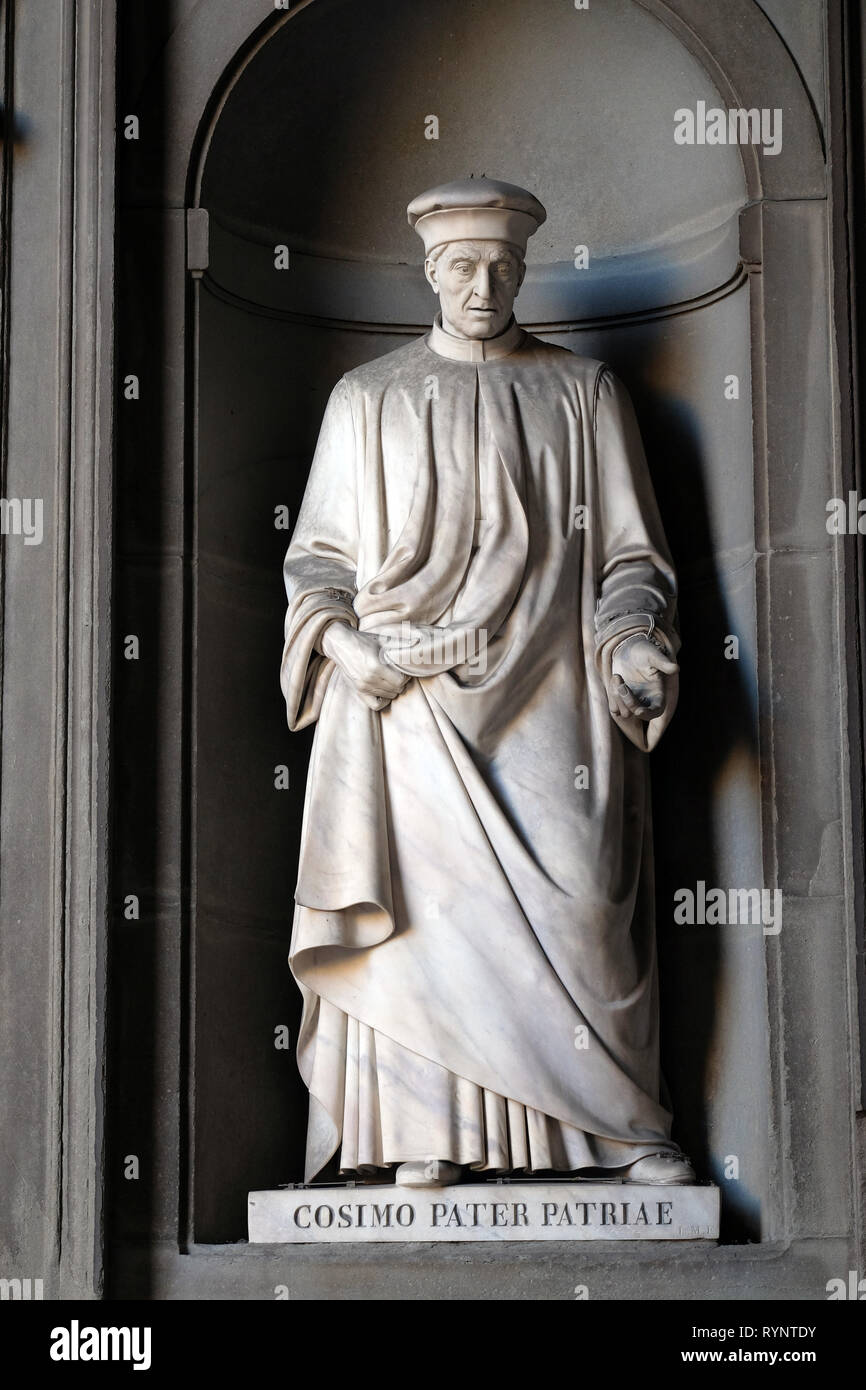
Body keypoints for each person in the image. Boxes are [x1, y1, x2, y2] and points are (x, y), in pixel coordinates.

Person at [279, 177, 694, 1189]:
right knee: (423, 921)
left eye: (502, 267)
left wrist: (633, 637)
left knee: (587, 902)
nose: (483, 283)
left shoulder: (582, 393)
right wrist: (343, 646)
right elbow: (317, 563)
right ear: (431, 271)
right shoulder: (367, 398)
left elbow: (629, 560)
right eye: (463, 266)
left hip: (553, 701)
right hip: (403, 710)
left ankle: (618, 1128)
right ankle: (425, 1131)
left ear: (523, 273)